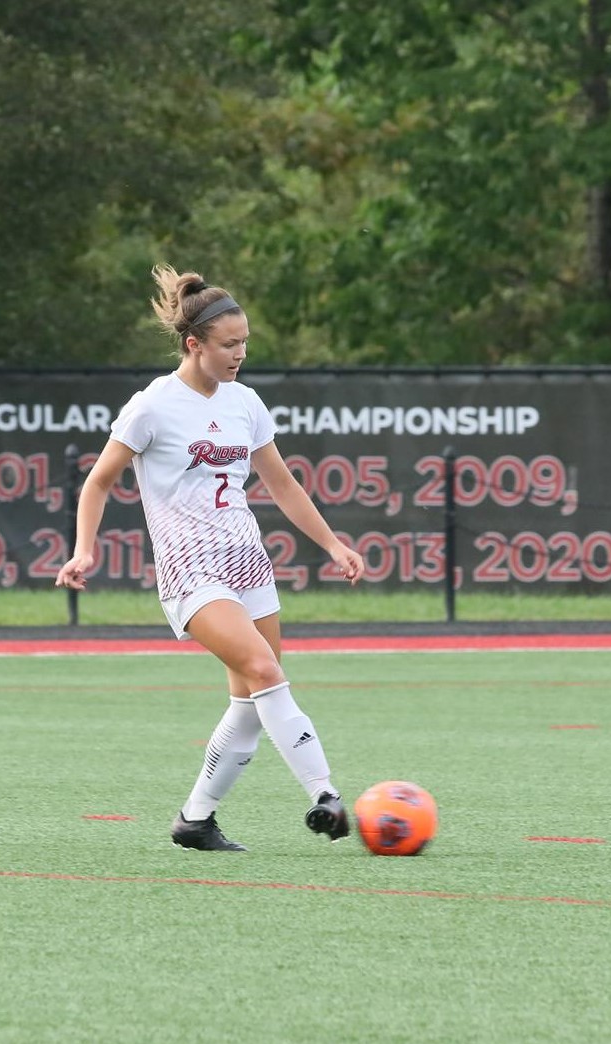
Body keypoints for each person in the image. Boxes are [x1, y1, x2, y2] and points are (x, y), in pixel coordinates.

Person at [55, 264, 367, 852]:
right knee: (267, 672)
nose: (240, 354)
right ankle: (325, 794)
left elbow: (281, 484)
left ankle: (195, 819)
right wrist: (84, 550)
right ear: (194, 345)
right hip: (190, 569)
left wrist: (332, 543)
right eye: (229, 344)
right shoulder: (152, 406)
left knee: (251, 699)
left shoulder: (245, 402)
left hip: (247, 560)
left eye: (245, 342)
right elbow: (97, 482)